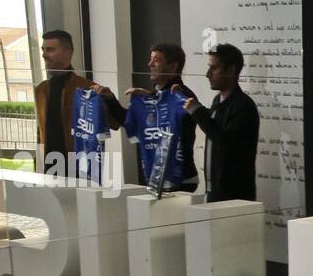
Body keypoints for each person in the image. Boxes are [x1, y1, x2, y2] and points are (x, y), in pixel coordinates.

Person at [90, 42, 199, 190]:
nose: (150, 64)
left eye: (156, 60)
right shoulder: (156, 97)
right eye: (150, 59)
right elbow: (130, 123)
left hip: (181, 179)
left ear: (173, 66)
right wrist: (111, 100)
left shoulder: (182, 95)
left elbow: (173, 124)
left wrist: (153, 102)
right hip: (159, 177)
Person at [178, 44, 259, 203]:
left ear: (230, 71)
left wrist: (198, 112)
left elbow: (226, 141)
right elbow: (214, 124)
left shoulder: (243, 106)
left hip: (234, 196)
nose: (208, 74)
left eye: (214, 68)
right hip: (216, 193)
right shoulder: (218, 101)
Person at [33, 29, 91, 175]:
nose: (44, 55)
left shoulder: (86, 88)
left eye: (50, 50)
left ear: (68, 53)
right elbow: (40, 133)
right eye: (43, 49)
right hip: (48, 168)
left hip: (79, 170)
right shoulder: (41, 90)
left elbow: (112, 123)